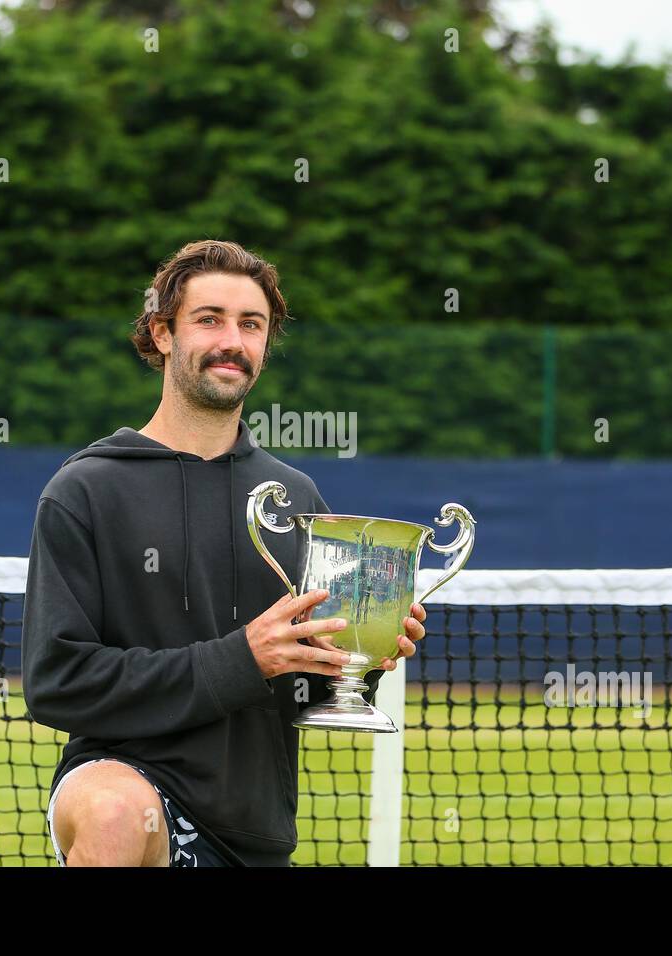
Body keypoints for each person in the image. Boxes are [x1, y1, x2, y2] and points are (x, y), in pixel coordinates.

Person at [21, 239, 426, 866]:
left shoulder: (295, 497)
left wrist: (362, 657)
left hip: (253, 828)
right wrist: (242, 657)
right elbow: (57, 683)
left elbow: (299, 687)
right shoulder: (86, 489)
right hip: (124, 785)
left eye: (251, 324)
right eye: (208, 319)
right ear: (162, 334)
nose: (231, 341)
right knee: (116, 811)